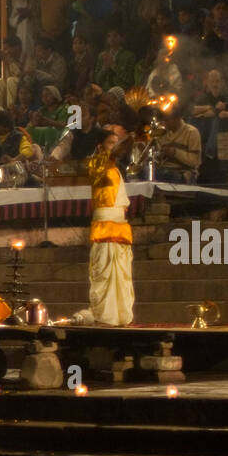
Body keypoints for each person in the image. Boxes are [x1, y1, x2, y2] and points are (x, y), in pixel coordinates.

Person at [72, 133, 132, 327]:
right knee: (104, 273)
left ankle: (120, 316)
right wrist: (131, 136)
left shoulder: (115, 169)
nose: (114, 146)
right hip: (105, 226)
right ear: (100, 146)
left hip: (120, 225)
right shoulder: (97, 163)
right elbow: (116, 152)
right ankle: (105, 316)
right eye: (110, 143)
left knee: (121, 273)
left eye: (116, 142)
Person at [156, 105, 203, 182]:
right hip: (164, 170)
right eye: (163, 121)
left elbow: (195, 161)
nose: (165, 124)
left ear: (177, 119)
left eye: (167, 120)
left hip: (182, 172)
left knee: (170, 176)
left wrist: (175, 153)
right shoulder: (163, 133)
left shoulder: (191, 132)